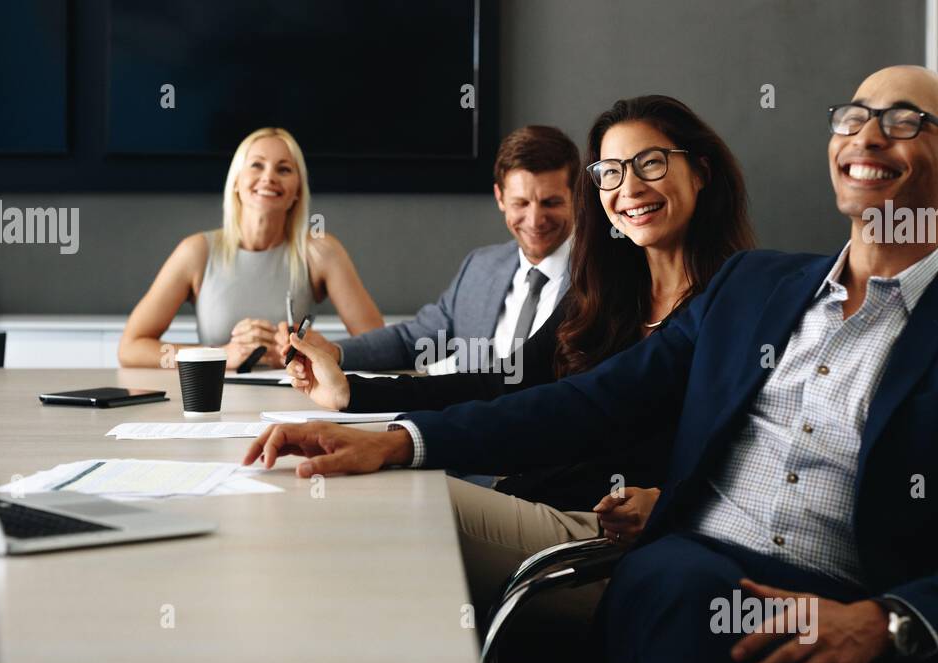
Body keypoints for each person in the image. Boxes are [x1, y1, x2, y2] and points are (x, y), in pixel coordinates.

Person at [242, 66, 938, 663]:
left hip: (835, 613)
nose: (867, 135)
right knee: (683, 590)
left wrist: (881, 619)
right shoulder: (754, 288)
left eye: (904, 122)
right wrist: (396, 439)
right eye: (852, 117)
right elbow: (585, 402)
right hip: (685, 577)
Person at [281, 96, 754, 633]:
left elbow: (756, 454)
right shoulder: (604, 297)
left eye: (651, 163)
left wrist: (672, 503)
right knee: (354, 498)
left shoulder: (737, 301)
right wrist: (355, 395)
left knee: (377, 500)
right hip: (534, 504)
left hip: (607, 542)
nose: (630, 188)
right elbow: (501, 381)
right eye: (611, 172)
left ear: (702, 173)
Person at [276, 126, 581, 371]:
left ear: (577, 197)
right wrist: (336, 352)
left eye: (551, 202)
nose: (535, 219)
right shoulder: (481, 267)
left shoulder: (602, 276)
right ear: (500, 198)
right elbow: (412, 340)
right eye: (521, 203)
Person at [119, 128, 383, 370]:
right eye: (257, 165)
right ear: (236, 181)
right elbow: (130, 348)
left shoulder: (322, 252)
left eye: (284, 169)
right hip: (218, 405)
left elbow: (379, 348)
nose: (269, 177)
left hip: (296, 403)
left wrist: (314, 353)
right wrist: (220, 355)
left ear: (297, 192)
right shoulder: (195, 252)